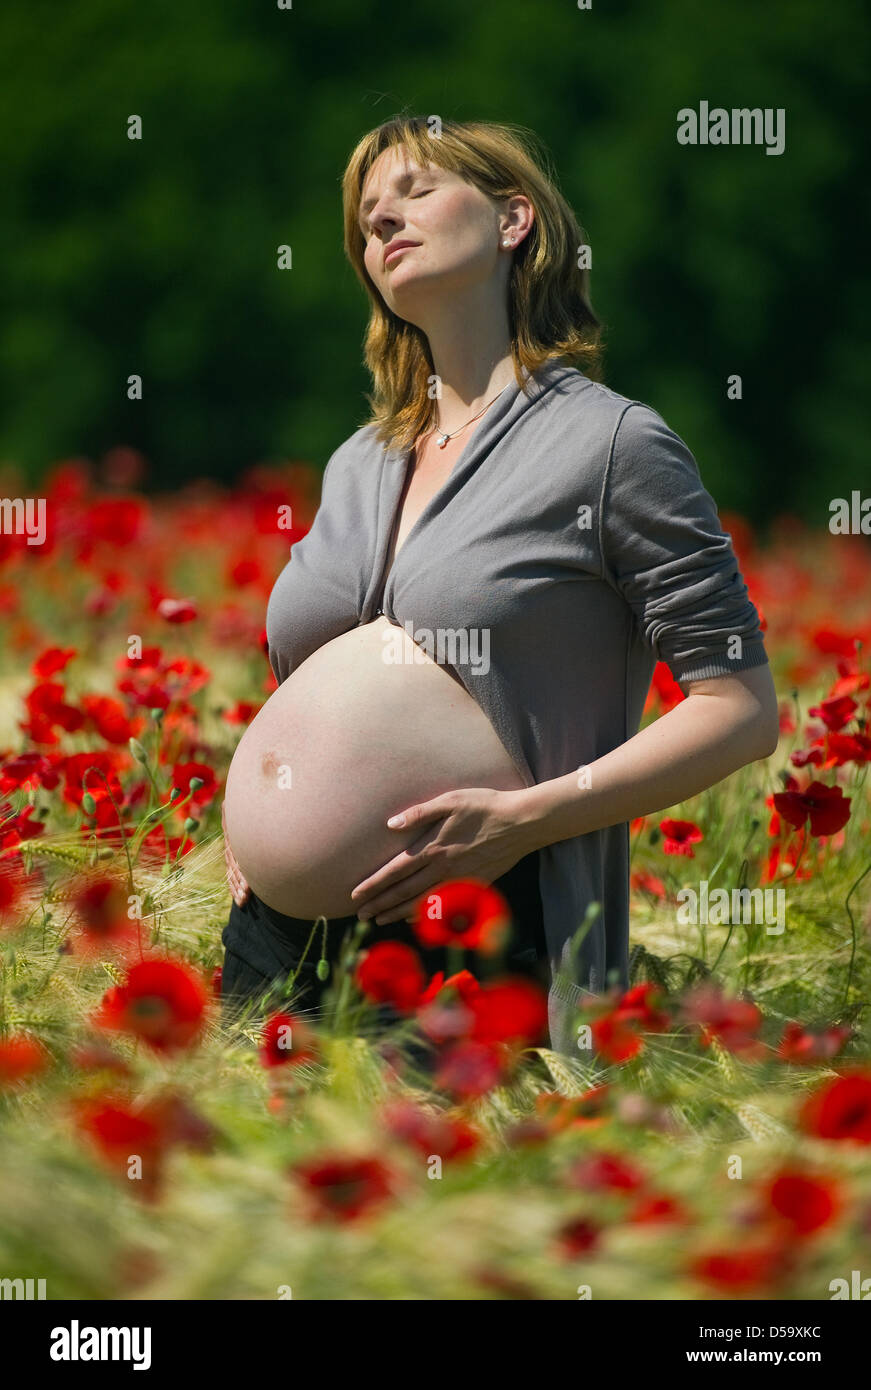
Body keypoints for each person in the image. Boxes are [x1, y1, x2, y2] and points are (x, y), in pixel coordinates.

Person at [221, 115, 778, 1054]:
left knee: (424, 1197)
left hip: (470, 924)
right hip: (275, 939)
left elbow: (742, 709)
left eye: (415, 193)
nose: (382, 226)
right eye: (366, 221)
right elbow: (319, 688)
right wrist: (261, 820)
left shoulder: (610, 447)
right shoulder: (360, 462)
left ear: (513, 218)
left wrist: (523, 820)